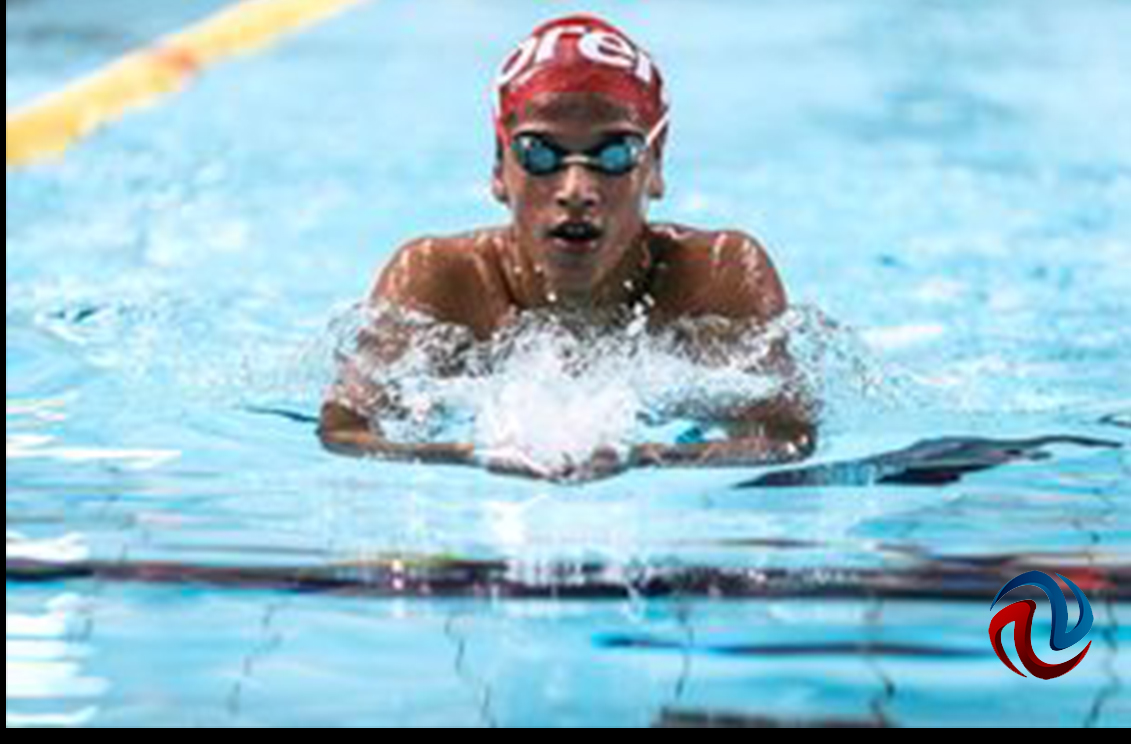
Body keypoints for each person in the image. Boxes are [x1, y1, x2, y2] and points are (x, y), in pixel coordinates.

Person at [318, 14, 815, 481]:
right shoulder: (437, 281)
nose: (575, 188)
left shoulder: (718, 277)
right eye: (540, 152)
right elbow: (347, 431)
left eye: (616, 152)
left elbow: (786, 437)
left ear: (656, 166)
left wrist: (645, 458)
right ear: (498, 168)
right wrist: (470, 458)